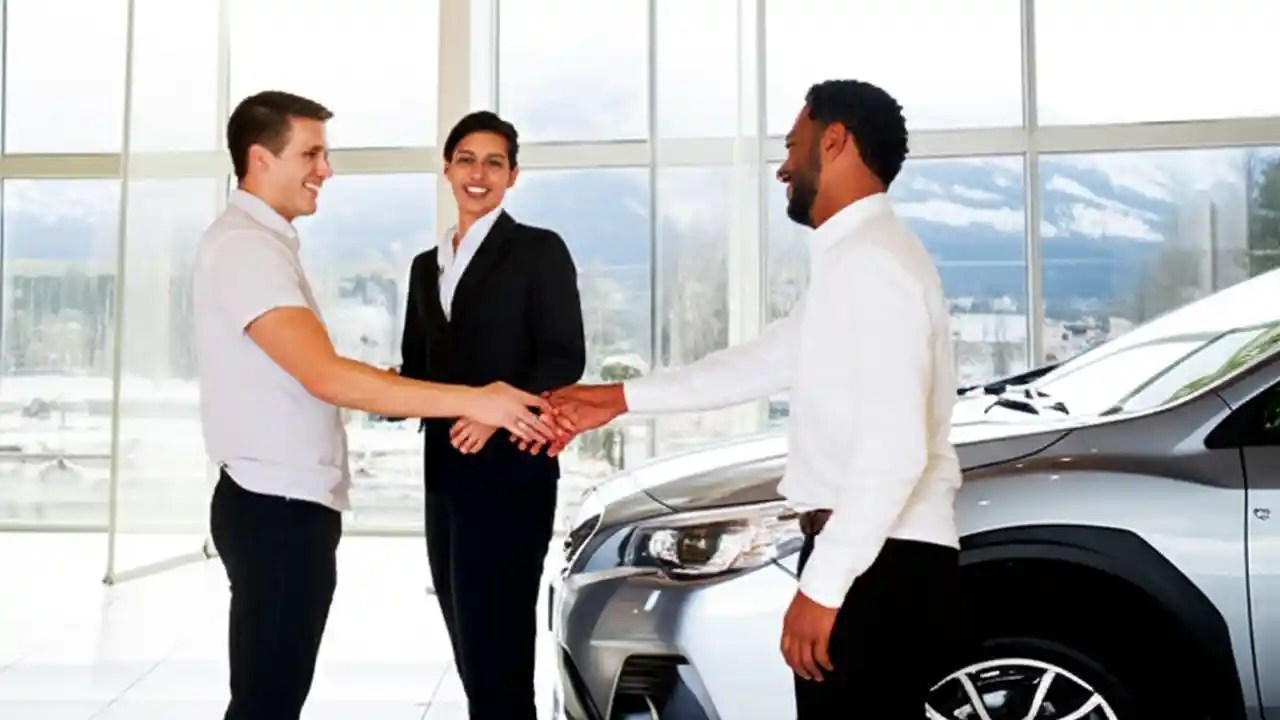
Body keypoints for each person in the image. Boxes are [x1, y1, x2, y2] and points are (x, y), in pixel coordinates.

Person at [546, 79, 962, 717]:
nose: (782, 169)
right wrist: (617, 398)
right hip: (876, 559)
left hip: (881, 566)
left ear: (835, 140)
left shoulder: (872, 265)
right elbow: (758, 364)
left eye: (793, 146)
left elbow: (897, 450)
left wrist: (823, 590)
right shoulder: (857, 259)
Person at [193, 91, 561, 720]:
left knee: (272, 692)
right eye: (311, 153)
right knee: (268, 697)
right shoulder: (247, 249)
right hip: (277, 505)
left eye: (495, 162)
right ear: (260, 158)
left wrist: (435, 395)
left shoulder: (267, 243)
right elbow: (329, 377)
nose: (325, 170)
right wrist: (479, 400)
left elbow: (351, 374)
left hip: (294, 500)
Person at [397, 109, 585, 719]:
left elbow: (564, 356)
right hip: (443, 478)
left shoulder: (537, 251)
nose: (479, 173)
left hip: (511, 475)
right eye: (467, 160)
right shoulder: (426, 268)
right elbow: (416, 369)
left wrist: (492, 411)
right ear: (447, 168)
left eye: (494, 163)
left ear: (512, 176)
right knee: (467, 640)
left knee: (499, 644)